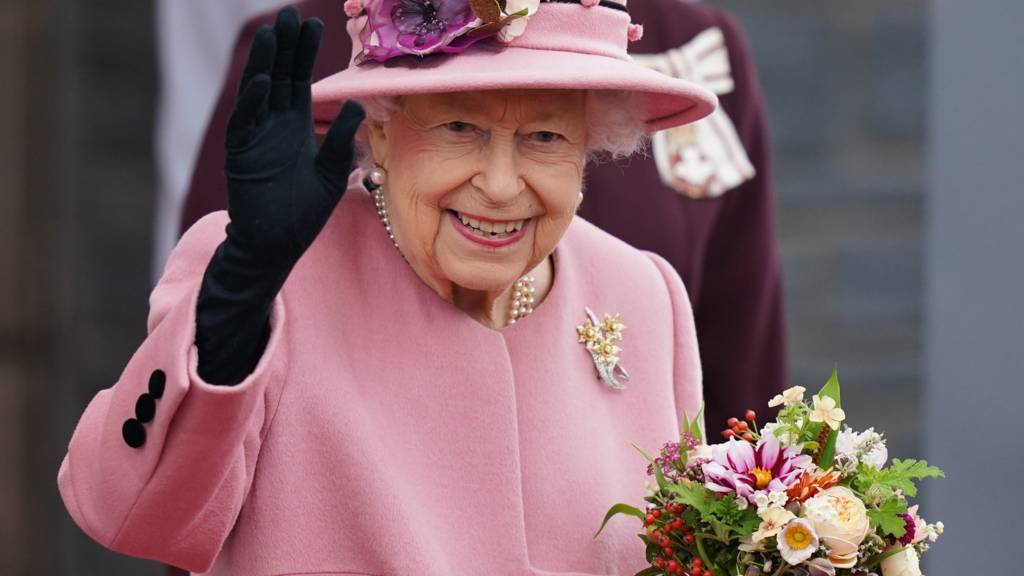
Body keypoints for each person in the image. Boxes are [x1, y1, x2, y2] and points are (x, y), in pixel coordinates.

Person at [59, 3, 715, 574]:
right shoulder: (268, 274)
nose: (500, 184)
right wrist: (239, 302)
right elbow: (131, 518)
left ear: (589, 147)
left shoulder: (642, 295)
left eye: (545, 137)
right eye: (459, 128)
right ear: (380, 129)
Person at [176, 0, 786, 435]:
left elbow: (741, 358)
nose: (500, 186)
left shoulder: (697, 42)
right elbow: (190, 455)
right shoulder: (316, 45)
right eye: (458, 126)